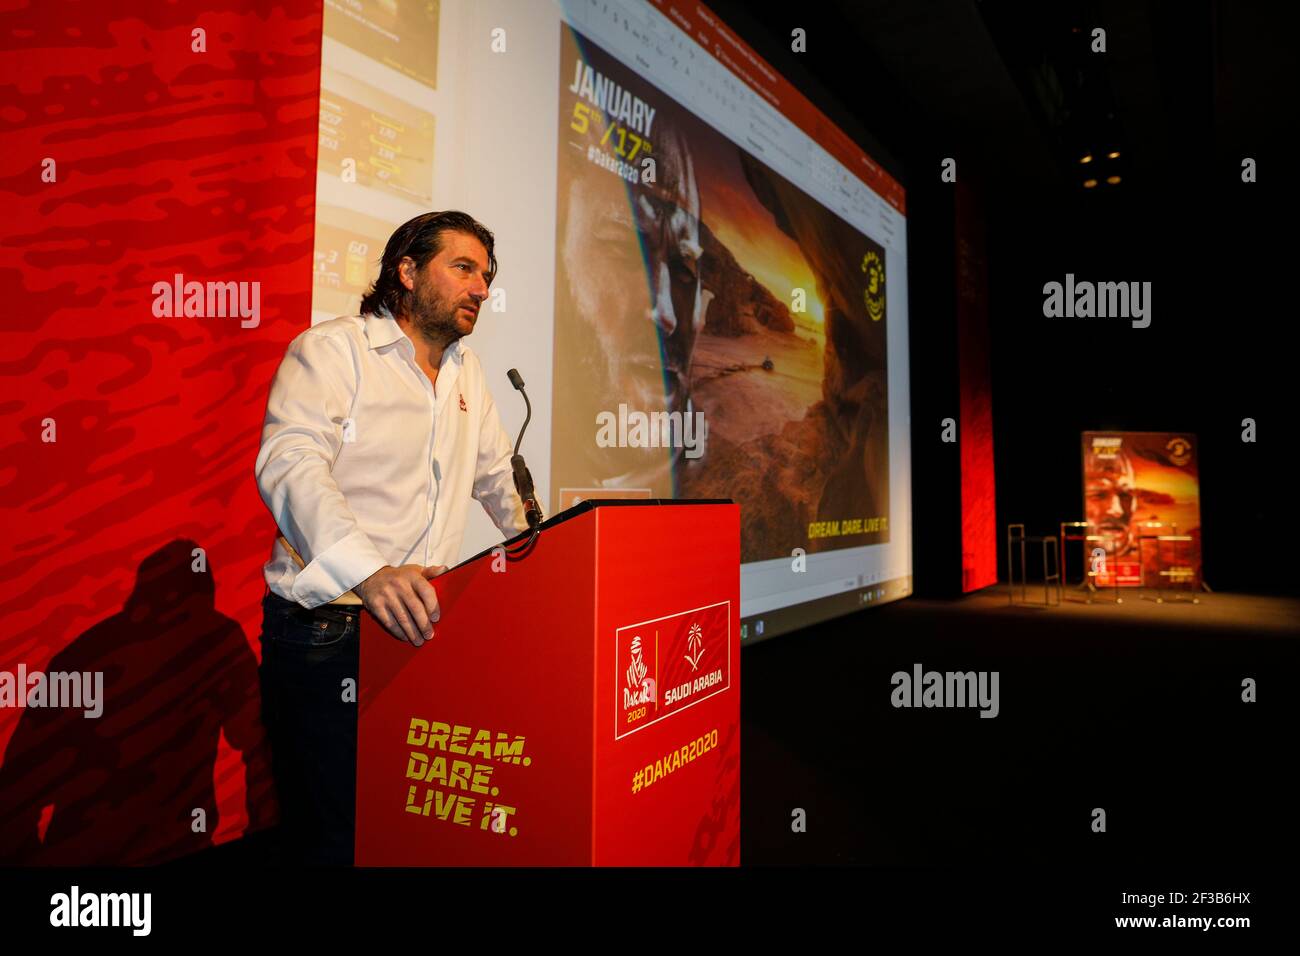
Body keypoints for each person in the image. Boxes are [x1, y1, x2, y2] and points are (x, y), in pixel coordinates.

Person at [253, 211, 530, 864]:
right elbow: (291, 462)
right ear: (406, 271)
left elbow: (497, 476)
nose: (482, 288)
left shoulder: (466, 372)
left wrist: (539, 545)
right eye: (463, 268)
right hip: (329, 631)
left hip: (422, 628)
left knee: (401, 826)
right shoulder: (333, 350)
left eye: (486, 275)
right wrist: (369, 572)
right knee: (334, 837)